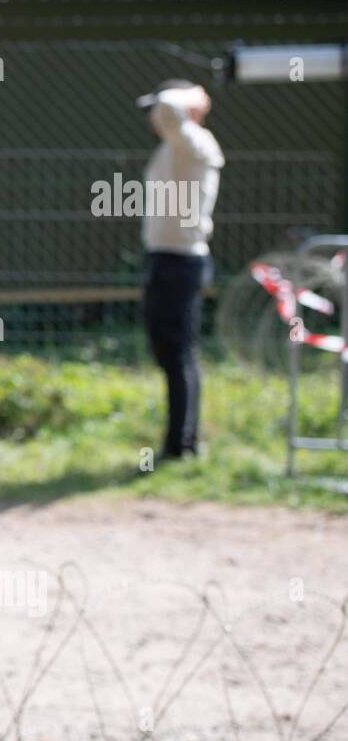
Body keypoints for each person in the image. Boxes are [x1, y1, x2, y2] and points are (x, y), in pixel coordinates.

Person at [136, 79, 224, 460]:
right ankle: (181, 441)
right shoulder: (176, 146)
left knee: (178, 355)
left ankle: (181, 445)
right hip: (167, 259)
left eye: (154, 110)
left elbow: (170, 109)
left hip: (180, 261)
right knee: (171, 353)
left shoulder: (192, 143)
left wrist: (191, 95)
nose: (152, 118)